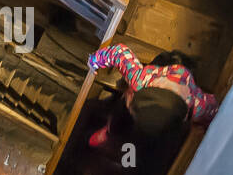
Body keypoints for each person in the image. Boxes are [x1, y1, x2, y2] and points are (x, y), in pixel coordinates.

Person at [85, 43, 218, 149]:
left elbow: (211, 110)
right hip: (163, 67)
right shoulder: (141, 80)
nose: (129, 99)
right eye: (131, 100)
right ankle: (110, 130)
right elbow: (118, 52)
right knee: (120, 116)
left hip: (156, 124)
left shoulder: (194, 105)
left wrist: (209, 124)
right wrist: (94, 60)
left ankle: (114, 134)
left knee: (133, 134)